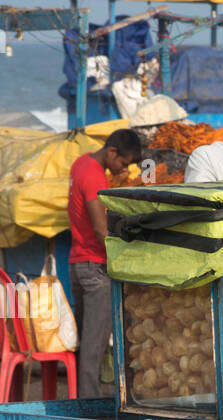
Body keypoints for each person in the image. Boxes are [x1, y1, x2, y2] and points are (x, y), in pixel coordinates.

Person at [68, 128, 142, 399]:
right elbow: (101, 229)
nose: (121, 170)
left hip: (78, 263)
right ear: (112, 152)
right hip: (95, 267)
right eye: (123, 163)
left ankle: (84, 398)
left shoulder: (81, 163)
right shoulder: (94, 176)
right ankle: (88, 405)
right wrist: (125, 263)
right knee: (94, 346)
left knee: (86, 342)